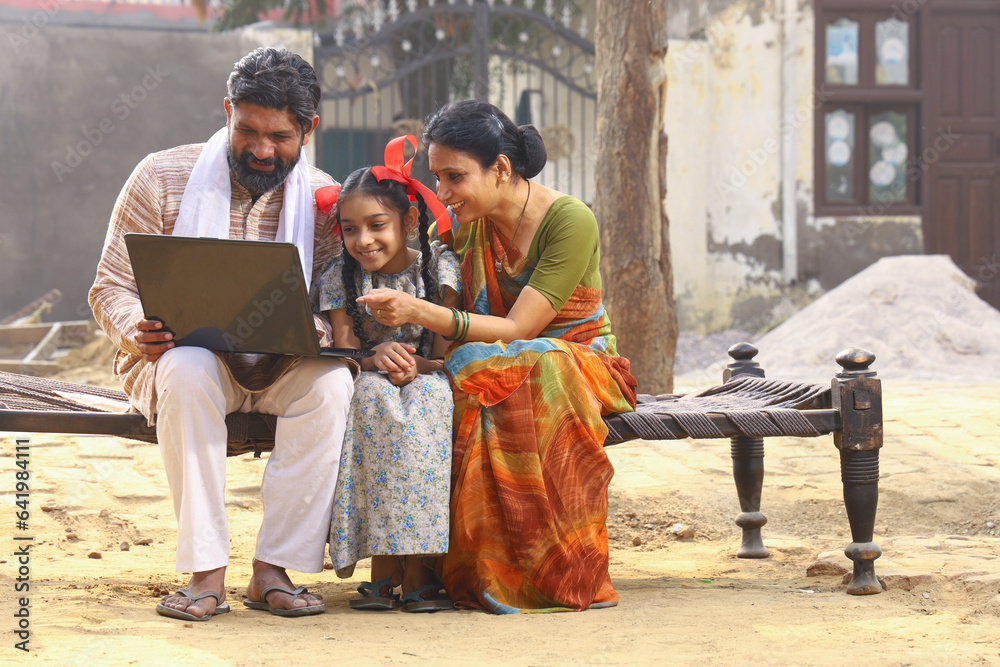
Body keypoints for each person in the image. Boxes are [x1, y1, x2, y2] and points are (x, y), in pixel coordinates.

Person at [88, 47, 356, 621]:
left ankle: (273, 571)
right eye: (249, 130)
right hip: (181, 359)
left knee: (333, 385)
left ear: (309, 130)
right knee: (187, 370)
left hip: (281, 365)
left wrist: (305, 327)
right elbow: (109, 284)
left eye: (281, 137)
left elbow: (339, 305)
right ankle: (205, 573)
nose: (262, 149)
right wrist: (135, 329)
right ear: (228, 109)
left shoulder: (324, 198)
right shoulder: (161, 175)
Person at [358, 100, 638, 613]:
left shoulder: (570, 221)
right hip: (493, 361)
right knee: (455, 380)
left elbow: (518, 329)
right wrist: (410, 358)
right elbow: (444, 312)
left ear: (501, 169)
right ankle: (468, 567)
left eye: (454, 177)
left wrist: (419, 313)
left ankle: (558, 568)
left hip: (580, 361)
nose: (442, 192)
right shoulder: (465, 227)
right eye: (436, 177)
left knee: (532, 366)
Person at [314, 135, 461, 612]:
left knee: (431, 403)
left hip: (431, 376)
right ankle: (381, 564)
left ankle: (419, 566)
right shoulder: (341, 274)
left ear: (409, 220)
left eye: (377, 225)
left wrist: (421, 365)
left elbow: (447, 351)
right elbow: (343, 347)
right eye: (350, 229)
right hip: (368, 375)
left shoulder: (439, 268)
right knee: (371, 401)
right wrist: (375, 358)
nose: (363, 241)